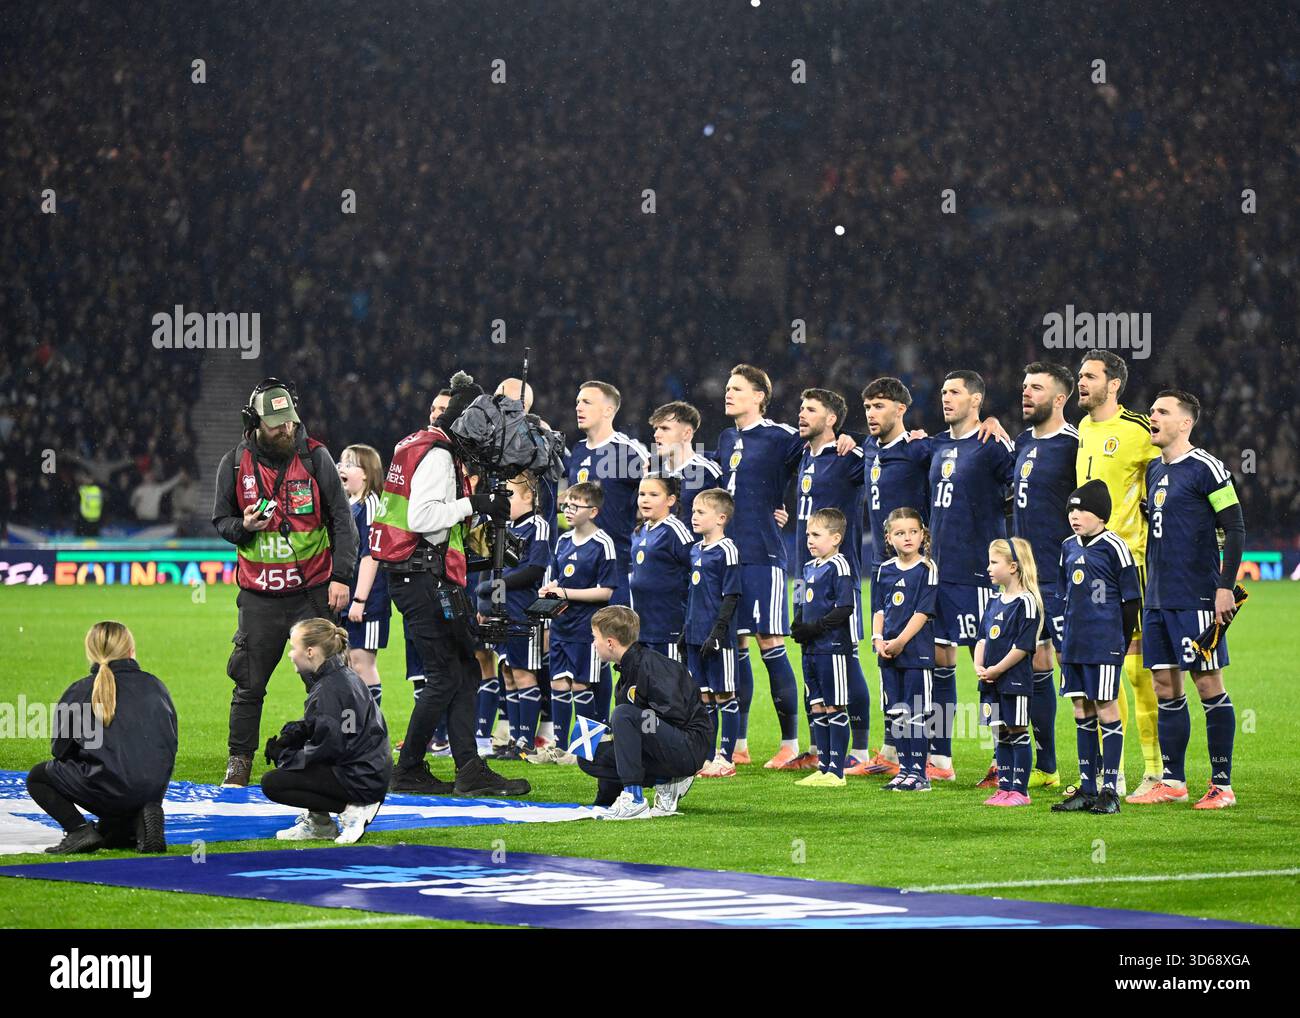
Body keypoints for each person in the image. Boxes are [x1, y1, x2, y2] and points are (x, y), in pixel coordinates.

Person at [371, 371, 530, 798]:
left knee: (461, 669)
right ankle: (409, 770)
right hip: (425, 576)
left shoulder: (413, 444)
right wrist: (475, 503)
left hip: (417, 573)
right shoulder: (439, 455)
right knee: (447, 675)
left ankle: (466, 769)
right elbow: (422, 518)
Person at [212, 378, 357, 787]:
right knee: (248, 684)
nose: (286, 430)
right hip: (259, 599)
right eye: (276, 424)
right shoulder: (234, 463)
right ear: (254, 422)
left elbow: (342, 521)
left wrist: (342, 576)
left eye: (289, 421)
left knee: (327, 683)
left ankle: (336, 756)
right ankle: (239, 762)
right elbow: (221, 521)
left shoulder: (316, 458)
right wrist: (243, 525)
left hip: (310, 594)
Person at [716, 364, 856, 768]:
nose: (728, 393)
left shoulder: (781, 437)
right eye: (727, 387)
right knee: (735, 645)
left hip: (763, 556)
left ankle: (791, 743)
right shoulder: (726, 439)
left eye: (737, 388)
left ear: (760, 396)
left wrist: (851, 437)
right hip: (729, 558)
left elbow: (821, 454)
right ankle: (738, 743)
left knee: (769, 644)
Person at [1130, 389, 1243, 808]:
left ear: (1185, 423)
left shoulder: (1207, 468)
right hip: (1157, 597)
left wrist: (1224, 586)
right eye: (1151, 409)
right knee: (1164, 685)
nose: (1152, 417)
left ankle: (1222, 785)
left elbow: (1235, 528)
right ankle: (1173, 782)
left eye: (1162, 411)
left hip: (1197, 597)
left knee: (1208, 683)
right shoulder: (1156, 473)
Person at [1075, 351, 1163, 798]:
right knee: (1098, 672)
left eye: (1089, 376)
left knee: (1135, 671)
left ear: (1114, 385)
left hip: (1130, 565)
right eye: (1079, 376)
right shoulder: (1084, 429)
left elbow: (1174, 466)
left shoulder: (1138, 430)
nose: (1081, 383)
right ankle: (1112, 774)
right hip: (1089, 570)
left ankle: (1156, 770)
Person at [990, 362, 1078, 792]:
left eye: (1037, 388)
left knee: (1077, 673)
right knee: (1034, 667)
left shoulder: (1076, 446)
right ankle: (1046, 766)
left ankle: (1106, 774)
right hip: (1027, 582)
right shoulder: (1024, 441)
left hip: (1062, 577)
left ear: (1060, 398)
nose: (1026, 393)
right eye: (1024, 386)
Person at [924, 370, 1016, 782]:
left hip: (980, 574)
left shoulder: (992, 445)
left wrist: (1003, 430)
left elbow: (1021, 488)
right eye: (944, 392)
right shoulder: (937, 446)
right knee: (940, 665)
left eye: (955, 392)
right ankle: (940, 760)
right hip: (942, 575)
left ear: (976, 400)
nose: (946, 398)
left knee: (990, 668)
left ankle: (1003, 757)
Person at [26, 621, 176, 854]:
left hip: (108, 788)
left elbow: (59, 751)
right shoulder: (156, 686)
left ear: (91, 653)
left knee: (38, 777)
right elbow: (170, 742)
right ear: (131, 651)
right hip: (152, 790)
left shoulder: (80, 690)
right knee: (110, 835)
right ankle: (141, 820)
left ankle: (77, 830)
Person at [791, 388, 874, 774]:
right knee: (813, 658)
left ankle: (858, 748)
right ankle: (823, 750)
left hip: (840, 574)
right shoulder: (803, 456)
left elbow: (883, 462)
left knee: (846, 658)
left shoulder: (846, 456)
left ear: (832, 420)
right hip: (806, 572)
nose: (802, 414)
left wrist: (861, 440)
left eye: (811, 410)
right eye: (801, 408)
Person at [1051, 480, 1141, 816]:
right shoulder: (1067, 547)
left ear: (1101, 515)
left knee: (1106, 709)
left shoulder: (1114, 547)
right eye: (1071, 510)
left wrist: (1119, 639)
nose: (1075, 516)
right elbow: (1062, 597)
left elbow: (1131, 600)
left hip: (1104, 645)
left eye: (1082, 510)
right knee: (1081, 711)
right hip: (1074, 644)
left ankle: (1110, 789)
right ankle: (1087, 788)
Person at [860, 378, 933, 776]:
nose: (871, 413)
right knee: (885, 655)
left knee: (925, 658)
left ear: (901, 409)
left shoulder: (921, 448)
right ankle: (892, 751)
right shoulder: (869, 449)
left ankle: (936, 758)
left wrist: (990, 422)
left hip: (916, 568)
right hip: (881, 569)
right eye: (868, 406)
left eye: (880, 405)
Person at [262, 619, 392, 844]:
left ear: (310, 652)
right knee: (295, 748)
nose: (291, 654)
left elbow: (332, 746)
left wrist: (288, 757)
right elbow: (336, 731)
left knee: (273, 783)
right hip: (369, 770)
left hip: (361, 777)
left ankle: (353, 809)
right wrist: (295, 734)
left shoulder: (330, 688)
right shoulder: (339, 677)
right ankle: (320, 822)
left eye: (294, 648)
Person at [578, 606, 713, 819]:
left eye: (595, 638)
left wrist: (637, 723)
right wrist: (602, 804)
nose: (593, 644)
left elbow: (677, 716)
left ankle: (635, 800)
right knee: (590, 754)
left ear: (610, 643)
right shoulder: (626, 671)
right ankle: (667, 783)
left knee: (622, 714)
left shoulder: (653, 666)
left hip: (688, 746)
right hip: (663, 743)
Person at [532, 480, 619, 762]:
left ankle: (582, 749)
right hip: (561, 626)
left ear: (592, 512)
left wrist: (565, 592)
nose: (568, 510)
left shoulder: (603, 544)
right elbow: (556, 578)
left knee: (581, 686)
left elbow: (605, 591)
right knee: (559, 684)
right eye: (566, 504)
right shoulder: (563, 540)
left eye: (575, 505)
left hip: (587, 629)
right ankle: (558, 745)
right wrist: (548, 592)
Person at [475, 472, 551, 760]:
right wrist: (484, 604)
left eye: (509, 496)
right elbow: (487, 564)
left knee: (522, 673)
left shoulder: (538, 526)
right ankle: (514, 740)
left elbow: (535, 570)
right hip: (500, 611)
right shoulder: (501, 526)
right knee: (507, 672)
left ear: (528, 497)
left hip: (523, 610)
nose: (504, 502)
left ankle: (525, 743)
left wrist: (495, 586)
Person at [790, 509, 859, 788]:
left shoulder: (839, 565)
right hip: (810, 649)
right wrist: (797, 623)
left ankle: (837, 772)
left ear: (836, 538)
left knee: (834, 705)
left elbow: (845, 607)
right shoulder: (808, 567)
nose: (810, 540)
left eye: (816, 535)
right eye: (808, 534)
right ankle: (824, 766)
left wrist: (816, 627)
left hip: (832, 648)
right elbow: (800, 601)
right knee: (816, 705)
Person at [872, 508, 940, 792]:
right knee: (896, 713)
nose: (907, 537)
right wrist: (878, 638)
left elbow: (923, 612)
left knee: (916, 714)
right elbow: (878, 608)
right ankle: (904, 770)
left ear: (923, 535)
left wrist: (900, 641)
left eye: (913, 531)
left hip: (916, 655)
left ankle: (919, 773)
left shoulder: (927, 569)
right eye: (900, 533)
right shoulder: (884, 570)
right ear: (889, 538)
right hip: (888, 654)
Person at [974, 538, 1044, 807]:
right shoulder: (993, 600)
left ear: (1013, 566)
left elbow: (1023, 647)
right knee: (1000, 732)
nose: (989, 568)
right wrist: (979, 666)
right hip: (990, 680)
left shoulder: (1026, 602)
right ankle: (1004, 788)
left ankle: (1020, 791)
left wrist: (997, 669)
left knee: (1017, 731)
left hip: (1013, 680)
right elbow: (982, 638)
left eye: (994, 562)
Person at [566, 380, 649, 607]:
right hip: (578, 564)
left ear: (608, 410)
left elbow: (660, 494)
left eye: (586, 402)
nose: (578, 408)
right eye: (577, 402)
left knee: (615, 638)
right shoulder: (578, 450)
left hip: (614, 567)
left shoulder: (628, 451)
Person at [684, 488, 743, 777]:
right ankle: (706, 757)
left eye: (701, 512)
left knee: (724, 694)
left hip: (718, 639)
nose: (694, 517)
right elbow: (693, 594)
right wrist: (686, 631)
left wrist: (718, 632)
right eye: (693, 511)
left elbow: (731, 595)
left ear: (721, 518)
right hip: (695, 635)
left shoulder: (728, 550)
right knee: (703, 697)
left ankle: (727, 757)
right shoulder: (695, 549)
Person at [337, 443, 390, 704]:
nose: (341, 468)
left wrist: (360, 600)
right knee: (348, 663)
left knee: (361, 663)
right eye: (341, 462)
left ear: (368, 473)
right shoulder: (349, 504)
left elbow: (372, 554)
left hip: (367, 600)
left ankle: (372, 733)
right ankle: (355, 730)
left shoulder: (371, 504)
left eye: (349, 464)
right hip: (350, 599)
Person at [627, 474, 695, 657]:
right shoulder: (639, 532)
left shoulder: (676, 531)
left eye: (654, 494)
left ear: (670, 500)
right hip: (643, 627)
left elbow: (697, 572)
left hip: (670, 628)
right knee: (646, 683)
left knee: (670, 683)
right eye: (642, 494)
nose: (645, 500)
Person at [648, 401, 722, 521]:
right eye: (656, 428)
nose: (656, 434)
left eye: (665, 428)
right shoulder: (654, 474)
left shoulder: (708, 473)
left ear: (686, 434)